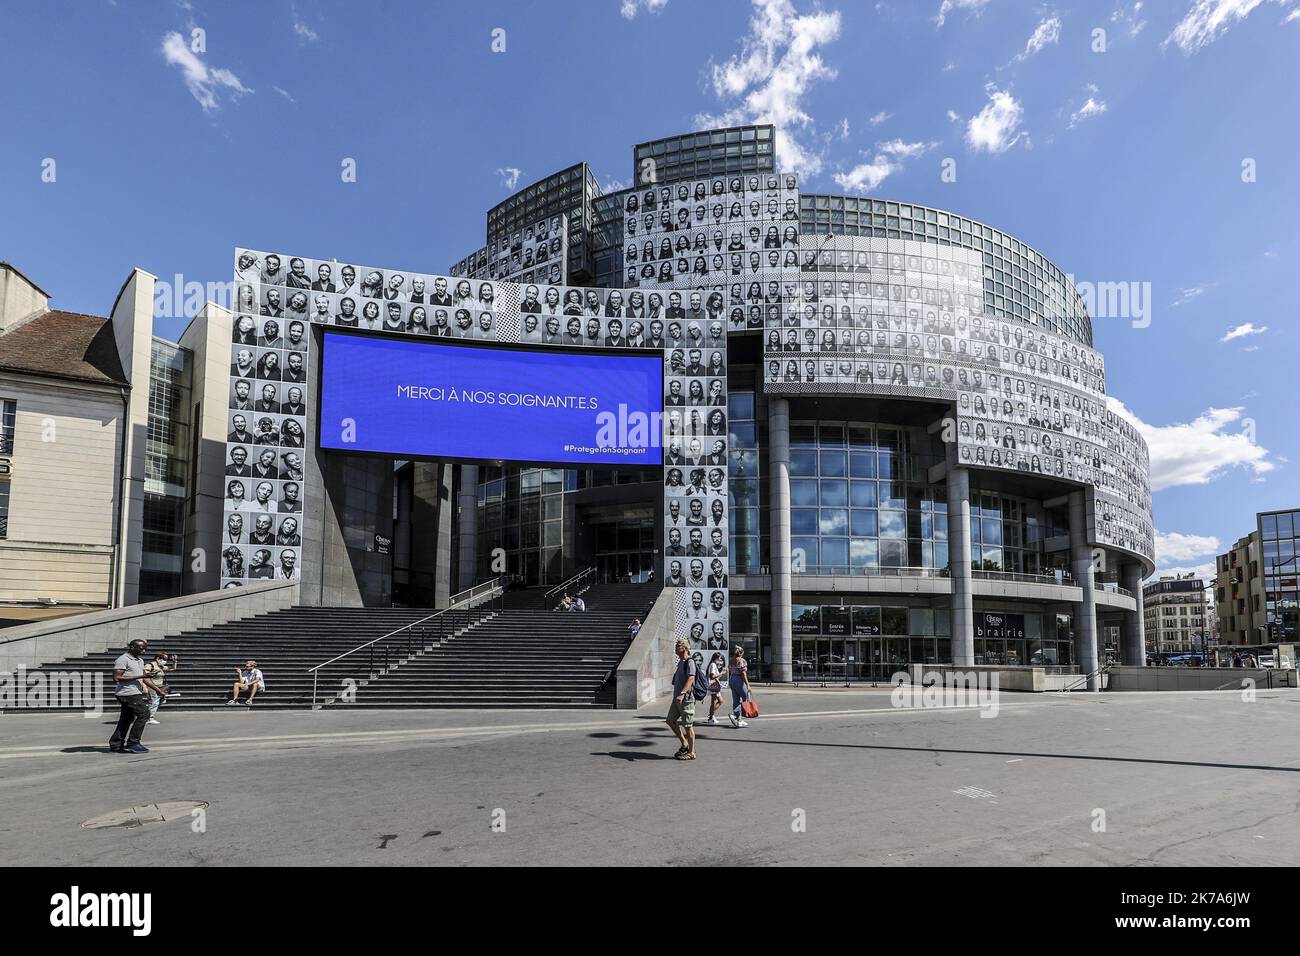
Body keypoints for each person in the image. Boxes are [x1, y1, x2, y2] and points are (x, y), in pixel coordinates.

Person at [108, 639, 153, 753]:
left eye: (145, 649)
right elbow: (116, 678)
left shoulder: (140, 660)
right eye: (141, 648)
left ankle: (116, 744)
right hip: (127, 693)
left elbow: (144, 677)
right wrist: (139, 677)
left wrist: (158, 690)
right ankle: (133, 743)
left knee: (126, 719)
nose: (144, 651)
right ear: (132, 647)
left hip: (134, 693)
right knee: (144, 713)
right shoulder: (123, 659)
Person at [665, 640, 697, 760]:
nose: (676, 648)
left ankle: (692, 752)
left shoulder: (690, 662)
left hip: (686, 699)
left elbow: (691, 678)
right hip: (677, 699)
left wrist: (682, 693)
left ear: (685, 648)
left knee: (688, 726)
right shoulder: (681, 662)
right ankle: (684, 743)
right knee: (670, 720)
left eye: (678, 646)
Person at [144, 650, 179, 724]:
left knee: (160, 701)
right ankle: (149, 718)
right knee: (154, 702)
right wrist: (145, 687)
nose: (165, 661)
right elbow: (143, 677)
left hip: (160, 687)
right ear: (158, 658)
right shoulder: (150, 665)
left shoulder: (160, 666)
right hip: (151, 687)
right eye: (164, 659)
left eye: (166, 659)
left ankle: (145, 713)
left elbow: (172, 668)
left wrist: (174, 661)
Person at [728, 644, 753, 728]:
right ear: (742, 653)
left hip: (732, 678)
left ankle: (737, 716)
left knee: (736, 699)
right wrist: (748, 685)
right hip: (739, 679)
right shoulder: (742, 661)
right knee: (746, 697)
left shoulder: (731, 660)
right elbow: (743, 674)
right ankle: (738, 717)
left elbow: (730, 669)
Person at [704, 652, 726, 726]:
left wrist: (719, 676)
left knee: (718, 701)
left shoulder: (713, 664)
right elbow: (712, 676)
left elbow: (714, 676)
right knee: (716, 701)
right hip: (713, 686)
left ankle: (711, 715)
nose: (720, 661)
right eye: (719, 659)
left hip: (714, 685)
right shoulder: (713, 665)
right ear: (715, 658)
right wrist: (721, 673)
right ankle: (711, 717)